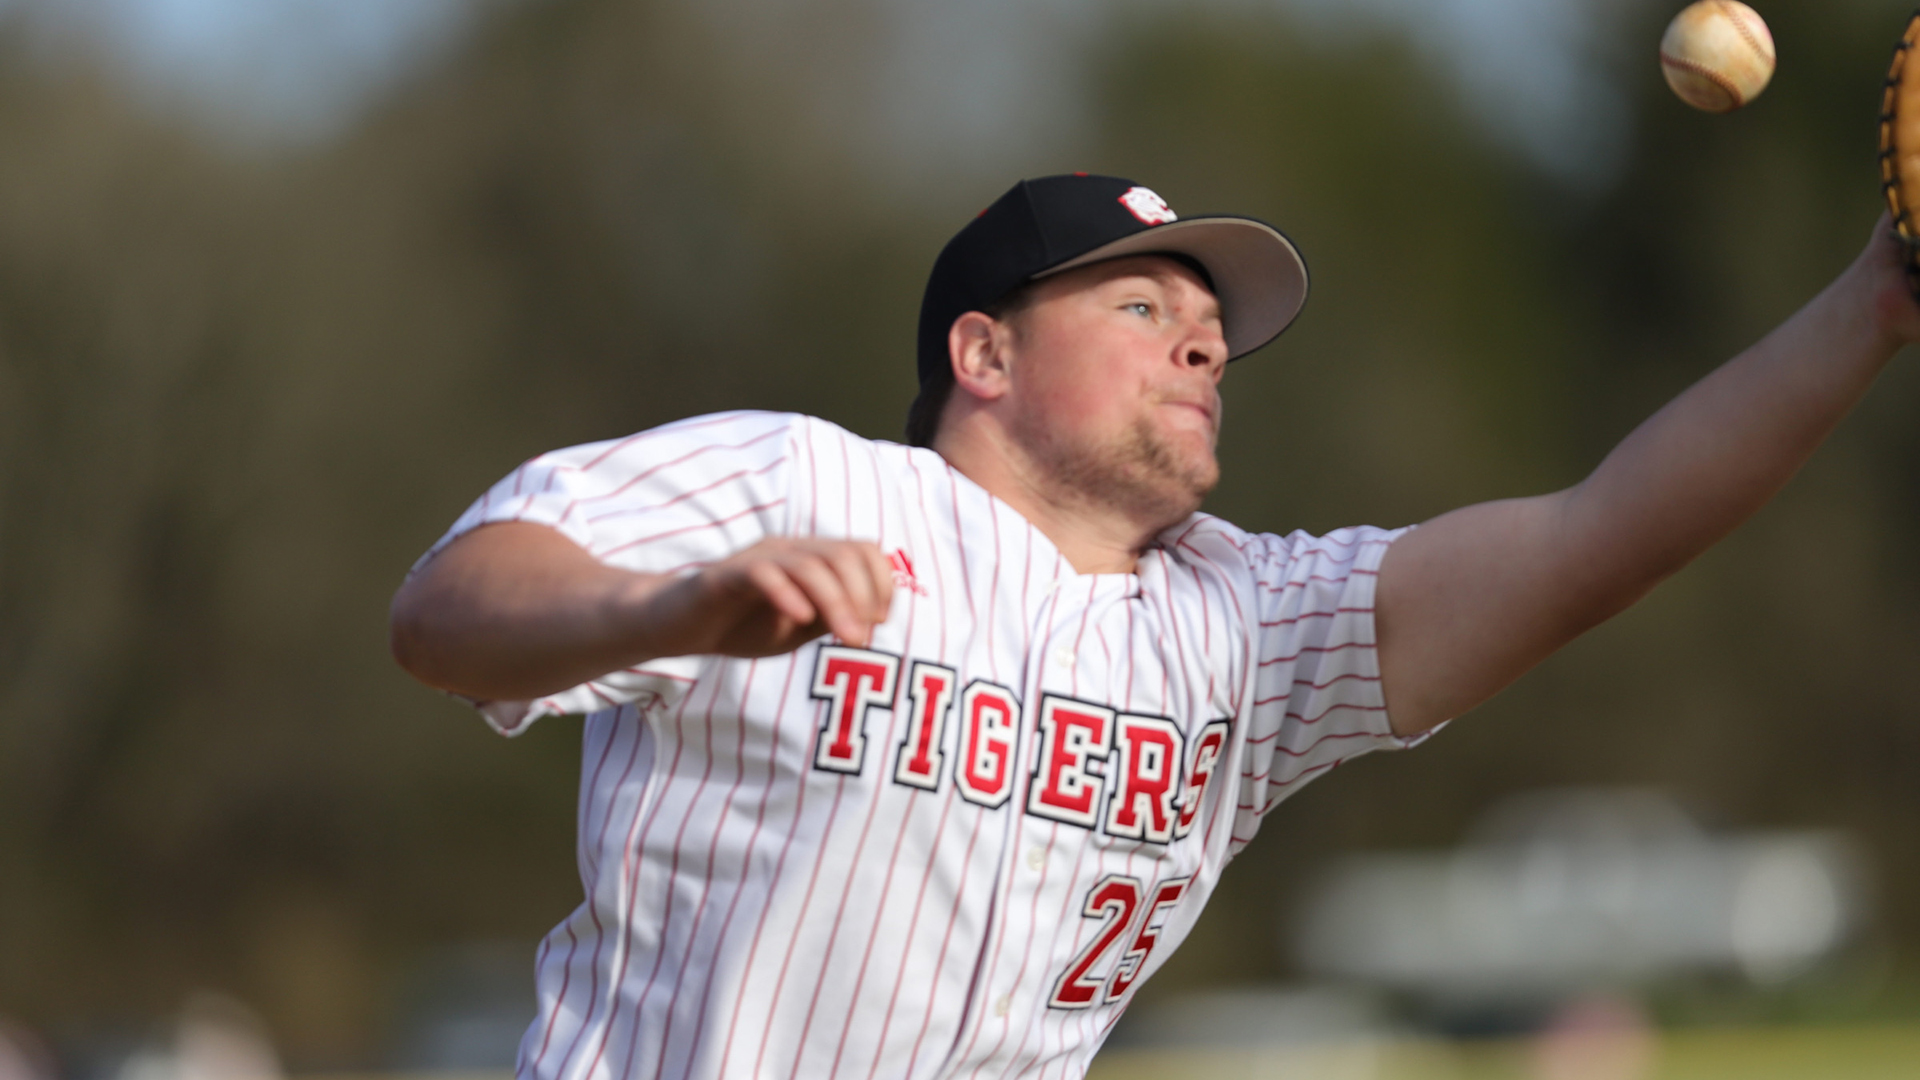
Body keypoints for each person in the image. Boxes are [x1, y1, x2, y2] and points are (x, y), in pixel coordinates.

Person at [389, 174, 1920, 1080]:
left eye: (1213, 329)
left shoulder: (1245, 624)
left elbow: (1603, 535)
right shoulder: (807, 482)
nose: (1201, 339)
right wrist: (664, 608)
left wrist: (1881, 295)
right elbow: (450, 607)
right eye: (1139, 307)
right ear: (980, 351)